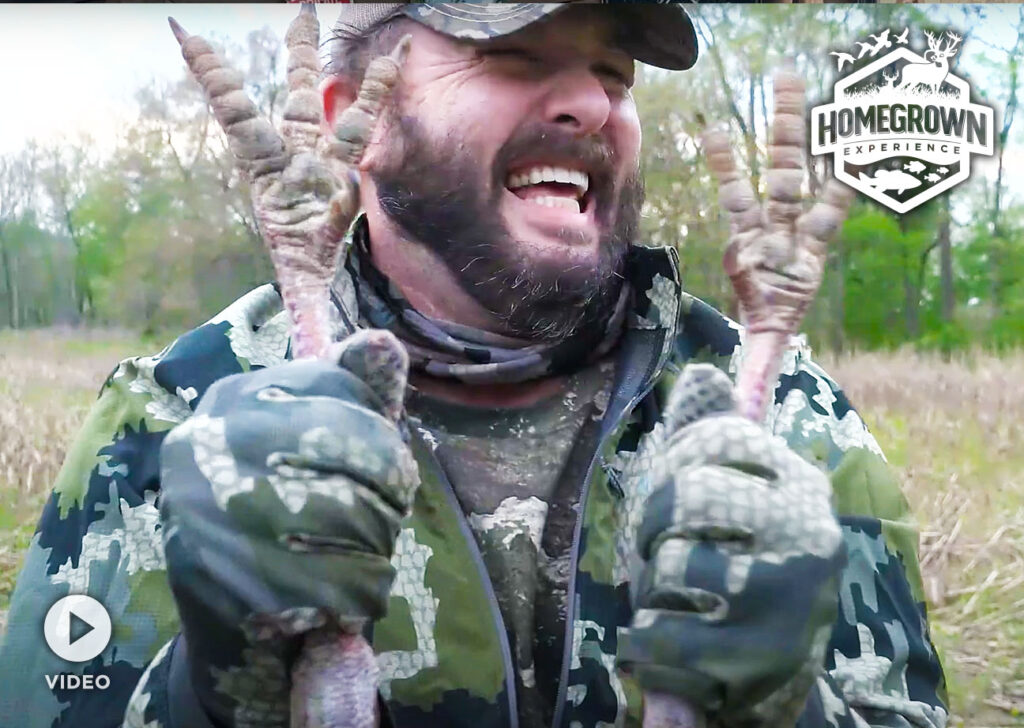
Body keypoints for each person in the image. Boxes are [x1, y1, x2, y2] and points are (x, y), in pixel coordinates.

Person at [0, 4, 946, 728]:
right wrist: (216, 689)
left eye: (613, 73)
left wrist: (784, 705)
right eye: (515, 56)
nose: (592, 103)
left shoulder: (788, 424)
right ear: (358, 123)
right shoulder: (177, 416)